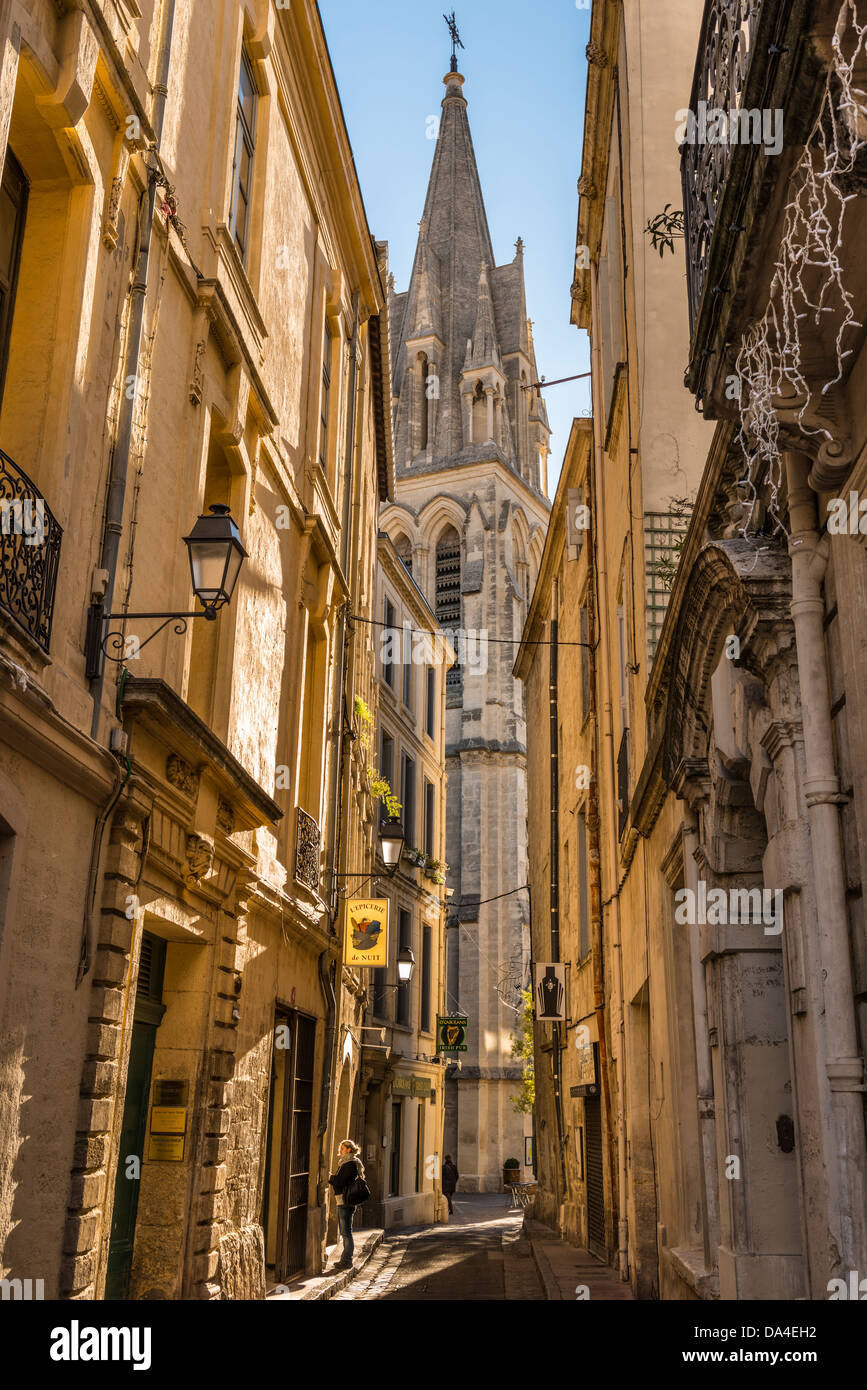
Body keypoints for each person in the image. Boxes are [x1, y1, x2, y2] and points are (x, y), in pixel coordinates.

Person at [328, 1139, 365, 1270]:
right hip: (343, 1201)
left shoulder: (350, 1164)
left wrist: (331, 1177)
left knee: (346, 1232)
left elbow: (341, 1181)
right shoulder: (348, 1162)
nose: (340, 1150)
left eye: (343, 1148)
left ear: (349, 1149)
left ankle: (347, 1260)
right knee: (345, 1232)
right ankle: (345, 1259)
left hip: (345, 1202)